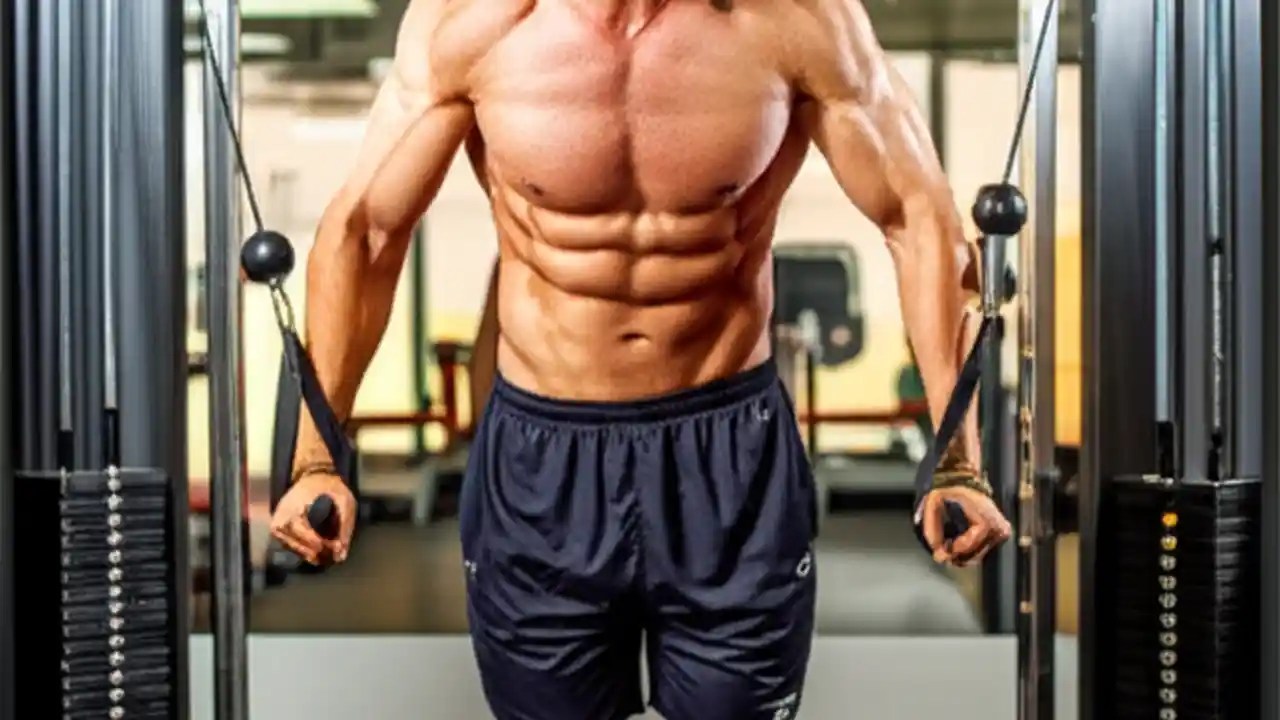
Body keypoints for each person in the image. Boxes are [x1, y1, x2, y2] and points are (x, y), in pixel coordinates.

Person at [270, 1, 1012, 718]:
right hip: (542, 462)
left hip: (729, 454)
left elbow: (920, 219)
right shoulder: (473, 21)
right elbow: (365, 231)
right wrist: (314, 458)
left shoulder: (795, 19)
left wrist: (957, 462)